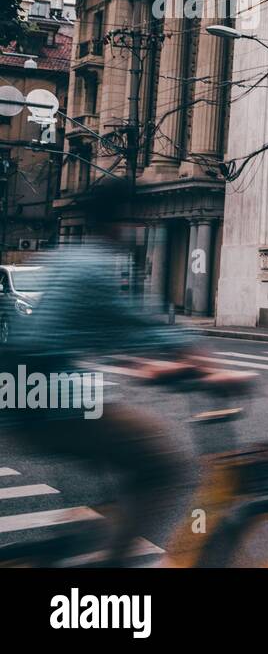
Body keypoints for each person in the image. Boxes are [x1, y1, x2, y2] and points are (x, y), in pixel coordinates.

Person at [0, 178, 229, 565]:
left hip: (24, 393)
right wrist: (208, 366)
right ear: (120, 223)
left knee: (122, 461)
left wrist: (141, 364)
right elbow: (142, 327)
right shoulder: (95, 267)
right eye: (134, 222)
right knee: (163, 464)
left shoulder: (69, 257)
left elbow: (101, 331)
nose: (138, 231)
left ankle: (85, 536)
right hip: (51, 402)